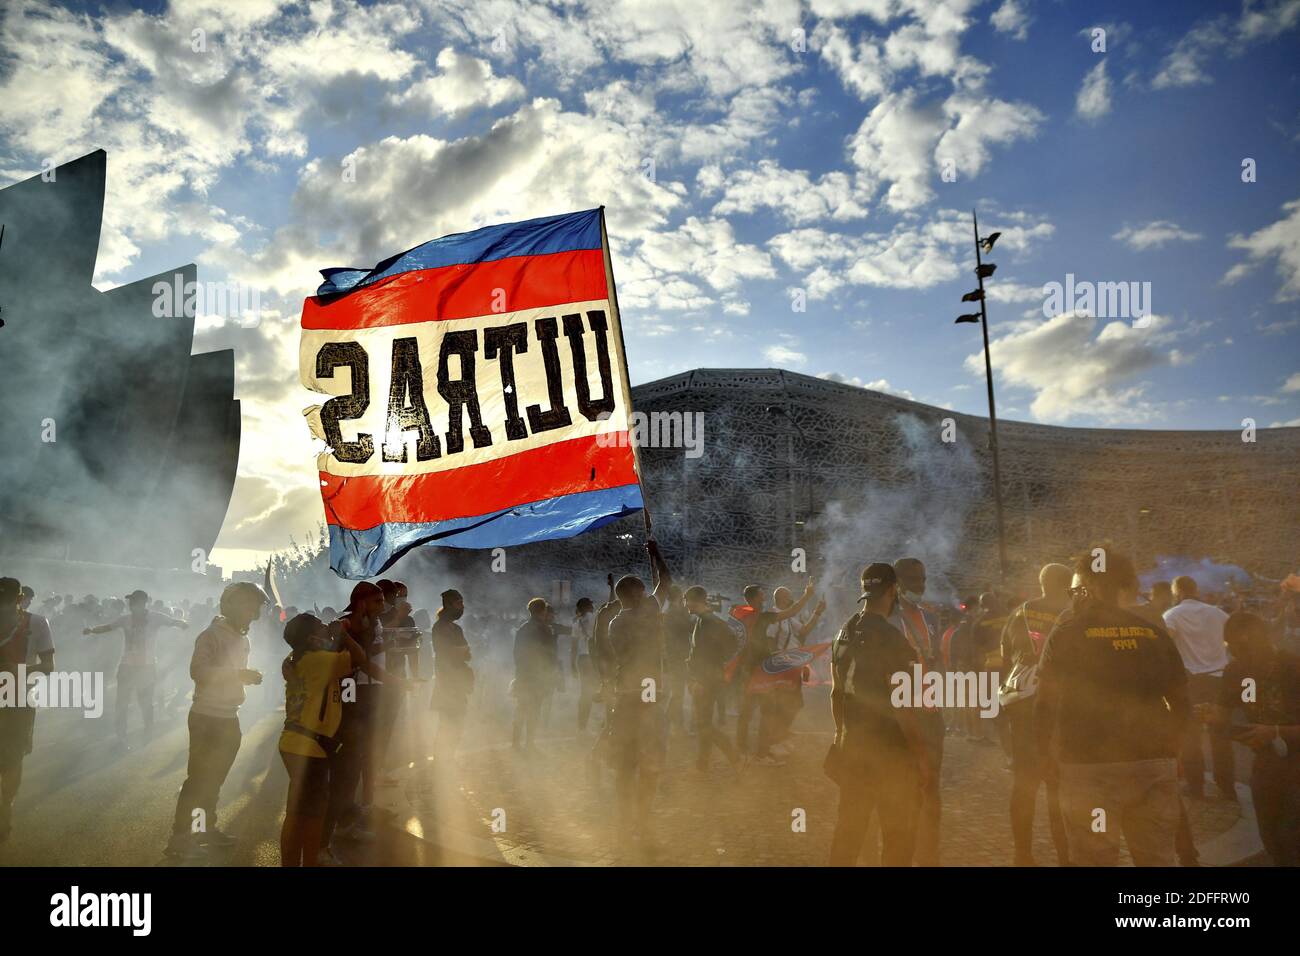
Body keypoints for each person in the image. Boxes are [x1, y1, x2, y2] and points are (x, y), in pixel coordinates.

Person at [1034, 546, 1188, 866]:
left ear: (1087, 587)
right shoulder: (1153, 634)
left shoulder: (1066, 633)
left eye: (1076, 589)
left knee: (1094, 858)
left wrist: (1043, 755)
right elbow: (1181, 701)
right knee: (1158, 858)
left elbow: (1045, 703)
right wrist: (1178, 751)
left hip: (1087, 768)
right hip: (1152, 763)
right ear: (1127, 587)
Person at [278, 612, 404, 866]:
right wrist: (344, 635)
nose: (329, 630)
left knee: (303, 812)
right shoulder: (320, 661)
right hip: (308, 746)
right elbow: (360, 658)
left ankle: (299, 862)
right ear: (312, 638)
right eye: (323, 628)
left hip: (298, 741)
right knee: (307, 814)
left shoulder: (301, 659)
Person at [827, 563, 932, 866]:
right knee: (899, 838)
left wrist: (839, 735)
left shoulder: (842, 633)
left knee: (848, 833)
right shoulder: (892, 639)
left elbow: (835, 693)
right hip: (891, 756)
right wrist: (921, 755)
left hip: (854, 749)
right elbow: (903, 707)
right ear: (892, 590)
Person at [165, 582, 266, 862]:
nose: (252, 612)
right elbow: (197, 671)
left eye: (254, 607)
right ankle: (179, 837)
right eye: (249, 605)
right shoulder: (210, 635)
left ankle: (206, 829)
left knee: (215, 781)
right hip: (206, 716)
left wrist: (244, 677)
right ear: (232, 605)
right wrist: (238, 675)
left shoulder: (243, 638)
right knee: (198, 779)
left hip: (229, 716)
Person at [1205, 611, 1299, 864]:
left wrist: (1277, 731)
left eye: (1238, 646)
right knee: (1271, 835)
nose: (1234, 653)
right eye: (1231, 648)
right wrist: (1211, 719)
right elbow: (1223, 719)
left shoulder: (1292, 666)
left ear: (1255, 638)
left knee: (1293, 836)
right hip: (1267, 764)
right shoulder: (1235, 671)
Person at [998, 563, 1072, 866]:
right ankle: (1066, 856)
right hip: (1059, 708)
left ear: (1041, 583)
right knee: (1060, 786)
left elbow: (1005, 655)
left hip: (1021, 705)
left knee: (1024, 782)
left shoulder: (1021, 612)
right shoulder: (1072, 614)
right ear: (1068, 584)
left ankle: (1022, 853)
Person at [607, 540, 673, 856]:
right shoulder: (647, 611)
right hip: (648, 700)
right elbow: (667, 582)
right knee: (649, 765)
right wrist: (655, 552)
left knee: (624, 766)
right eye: (642, 591)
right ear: (635, 595)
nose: (647, 594)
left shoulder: (615, 623)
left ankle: (621, 827)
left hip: (625, 698)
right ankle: (644, 827)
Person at [890, 557, 945, 866]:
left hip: (929, 714)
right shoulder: (884, 620)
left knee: (932, 784)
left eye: (922, 580)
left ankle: (929, 854)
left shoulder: (931, 619)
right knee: (902, 786)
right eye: (913, 581)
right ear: (896, 585)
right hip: (896, 717)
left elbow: (936, 662)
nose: (920, 587)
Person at [1162, 576, 1235, 801]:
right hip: (1218, 681)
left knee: (1190, 736)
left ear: (1177, 593)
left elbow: (1166, 646)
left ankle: (1196, 787)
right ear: (1195, 590)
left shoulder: (1172, 615)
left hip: (1190, 682)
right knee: (1221, 736)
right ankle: (1227, 787)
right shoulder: (1218, 614)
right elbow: (1232, 640)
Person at [84, 589, 188, 746]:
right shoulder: (125, 619)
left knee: (145, 701)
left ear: (143, 603)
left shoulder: (155, 617)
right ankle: (121, 735)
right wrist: (92, 630)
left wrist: (183, 625)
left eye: (134, 602)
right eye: (130, 602)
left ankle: (148, 731)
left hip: (147, 666)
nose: (131, 605)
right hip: (127, 666)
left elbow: (173, 622)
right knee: (122, 702)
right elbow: (108, 627)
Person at [734, 580, 815, 765]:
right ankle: (762, 754)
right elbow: (792, 611)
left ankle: (742, 749)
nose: (765, 596)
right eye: (762, 594)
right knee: (767, 712)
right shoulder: (762, 617)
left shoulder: (743, 617)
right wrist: (807, 594)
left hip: (747, 670)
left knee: (746, 711)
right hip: (762, 670)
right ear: (755, 598)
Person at [0, 578, 55, 844]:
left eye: (7, 600)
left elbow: (48, 666)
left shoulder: (37, 623)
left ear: (18, 599)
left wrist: (18, 671)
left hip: (18, 699)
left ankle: (6, 807)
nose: (3, 605)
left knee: (12, 758)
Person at [685, 585, 742, 773]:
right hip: (707, 678)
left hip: (705, 680)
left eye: (687, 600)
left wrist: (702, 678)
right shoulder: (707, 620)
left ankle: (735, 758)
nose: (686, 605)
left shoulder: (709, 622)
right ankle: (702, 764)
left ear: (695, 601)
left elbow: (713, 652)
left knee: (705, 725)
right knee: (703, 723)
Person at [769, 585, 826, 755]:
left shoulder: (788, 617)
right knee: (782, 704)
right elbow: (769, 641)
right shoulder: (774, 615)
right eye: (788, 596)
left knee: (795, 703)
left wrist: (817, 612)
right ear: (780, 598)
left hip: (792, 666)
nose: (791, 599)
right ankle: (774, 740)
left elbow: (804, 630)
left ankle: (781, 734)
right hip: (781, 667)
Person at [430, 589, 473, 766]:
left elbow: (467, 653)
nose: (462, 607)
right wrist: (459, 652)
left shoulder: (456, 628)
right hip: (446, 682)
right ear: (448, 605)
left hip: (458, 682)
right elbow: (445, 653)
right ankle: (441, 760)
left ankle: (449, 757)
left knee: (458, 723)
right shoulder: (439, 627)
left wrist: (459, 652)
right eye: (458, 603)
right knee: (447, 724)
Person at [513, 598, 556, 751]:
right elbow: (550, 654)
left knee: (521, 709)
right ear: (542, 611)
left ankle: (515, 742)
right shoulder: (544, 629)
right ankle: (529, 743)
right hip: (538, 675)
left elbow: (517, 653)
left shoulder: (522, 629)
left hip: (524, 673)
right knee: (534, 710)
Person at [661, 586, 693, 736]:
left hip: (674, 655)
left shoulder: (669, 612)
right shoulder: (675, 612)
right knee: (678, 693)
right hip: (678, 656)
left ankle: (676, 727)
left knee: (677, 693)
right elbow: (688, 627)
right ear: (679, 596)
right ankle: (668, 725)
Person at [570, 598, 598, 732]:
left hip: (581, 659)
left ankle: (582, 724)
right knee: (602, 688)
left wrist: (572, 665)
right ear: (589, 606)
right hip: (594, 659)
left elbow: (574, 646)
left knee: (585, 693)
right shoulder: (595, 618)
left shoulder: (576, 622)